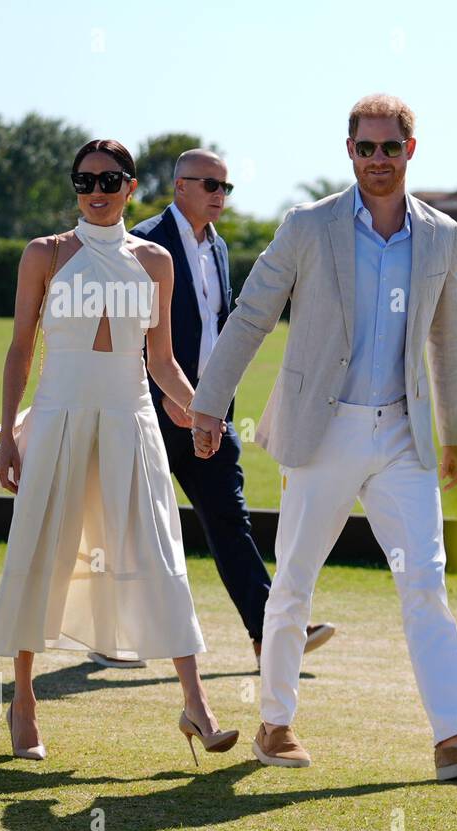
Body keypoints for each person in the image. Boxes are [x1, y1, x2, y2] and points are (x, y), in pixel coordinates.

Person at [190, 94, 457, 780]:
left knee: (426, 582)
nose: (378, 159)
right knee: (295, 585)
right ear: (349, 151)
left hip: (403, 436)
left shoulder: (442, 235)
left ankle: (453, 739)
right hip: (324, 431)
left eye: (390, 148)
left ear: (410, 150)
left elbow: (449, 340)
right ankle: (275, 724)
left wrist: (454, 433)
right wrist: (208, 405)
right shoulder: (307, 226)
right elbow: (252, 315)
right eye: (366, 147)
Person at [0, 139, 238, 765]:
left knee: (160, 550)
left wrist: (200, 414)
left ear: (131, 186)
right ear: (75, 186)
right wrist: (7, 433)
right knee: (40, 550)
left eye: (110, 179)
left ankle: (196, 706)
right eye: (85, 179)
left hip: (132, 419)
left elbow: (162, 361)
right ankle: (23, 702)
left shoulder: (154, 262)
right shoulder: (44, 254)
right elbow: (20, 349)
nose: (97, 191)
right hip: (60, 416)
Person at [79, 148, 331, 672]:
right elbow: (125, 333)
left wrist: (207, 406)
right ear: (180, 187)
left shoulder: (217, 248)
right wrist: (170, 397)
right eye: (210, 185)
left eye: (226, 188)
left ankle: (269, 634)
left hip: (206, 413)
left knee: (228, 516)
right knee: (130, 523)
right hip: (147, 409)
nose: (220, 196)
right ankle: (107, 634)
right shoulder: (144, 242)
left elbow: (220, 331)